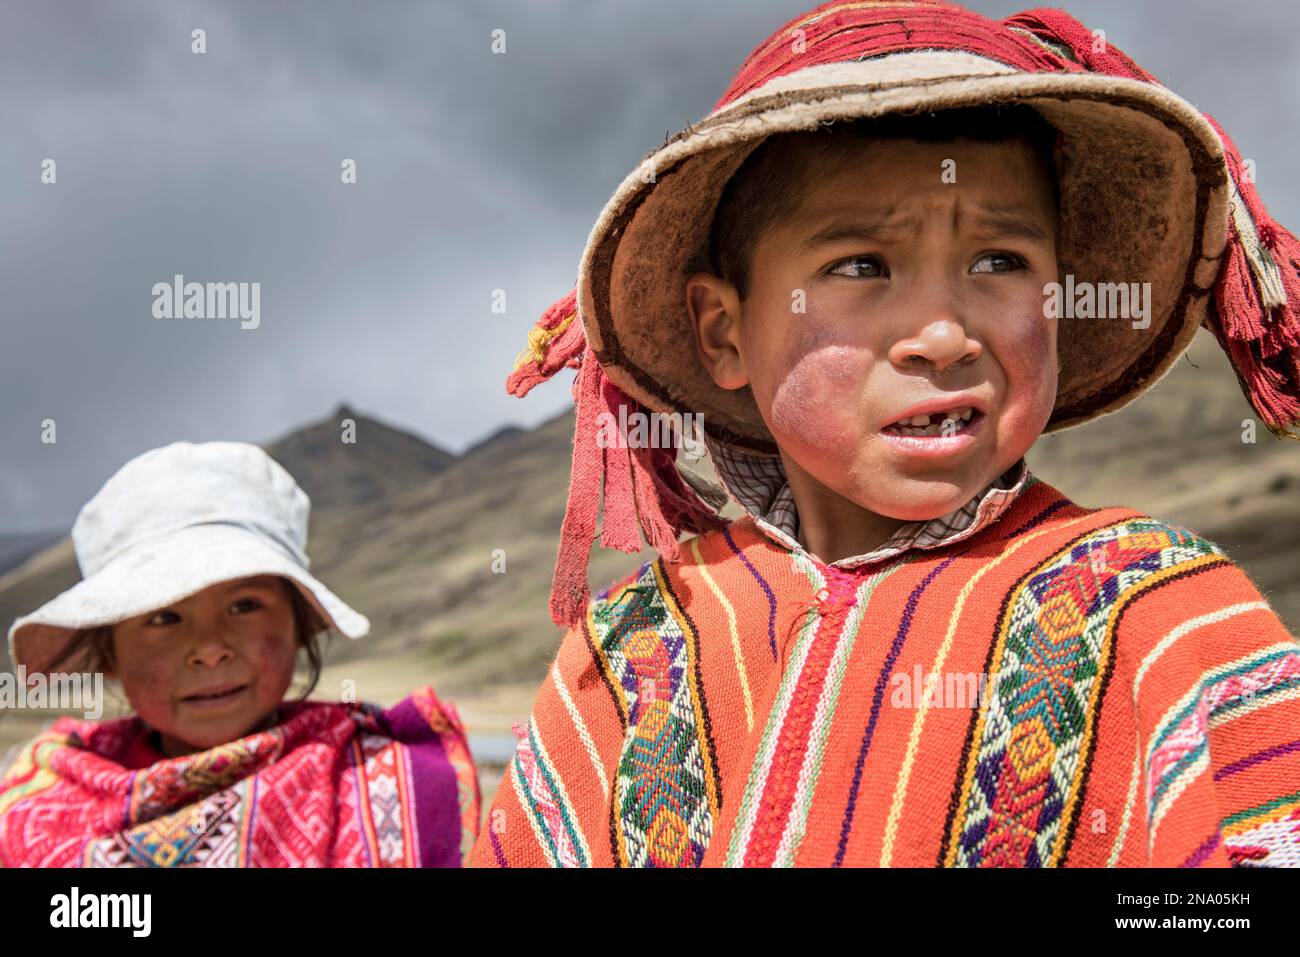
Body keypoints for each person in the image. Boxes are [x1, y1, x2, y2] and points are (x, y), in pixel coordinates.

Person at [471, 0, 1300, 867]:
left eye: (999, 262)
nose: (944, 335)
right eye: (862, 266)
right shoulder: (633, 648)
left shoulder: (1162, 615)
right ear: (724, 332)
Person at [0, 441, 479, 867]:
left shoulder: (396, 779)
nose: (210, 651)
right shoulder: (37, 807)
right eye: (162, 617)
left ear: (299, 628)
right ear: (110, 654)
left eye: (244, 605)